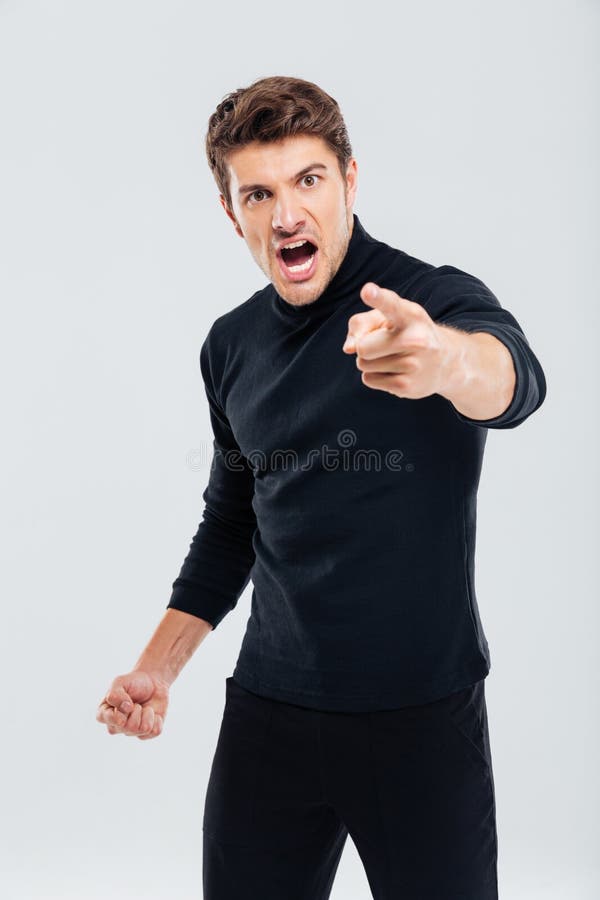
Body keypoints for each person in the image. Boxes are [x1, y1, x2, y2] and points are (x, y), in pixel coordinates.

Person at [96, 75, 547, 899]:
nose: (286, 214)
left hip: (422, 714)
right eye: (258, 193)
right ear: (233, 214)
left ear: (349, 180)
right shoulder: (229, 347)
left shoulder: (427, 303)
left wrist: (445, 361)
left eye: (308, 180)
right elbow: (232, 524)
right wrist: (158, 668)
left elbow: (516, 381)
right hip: (271, 716)